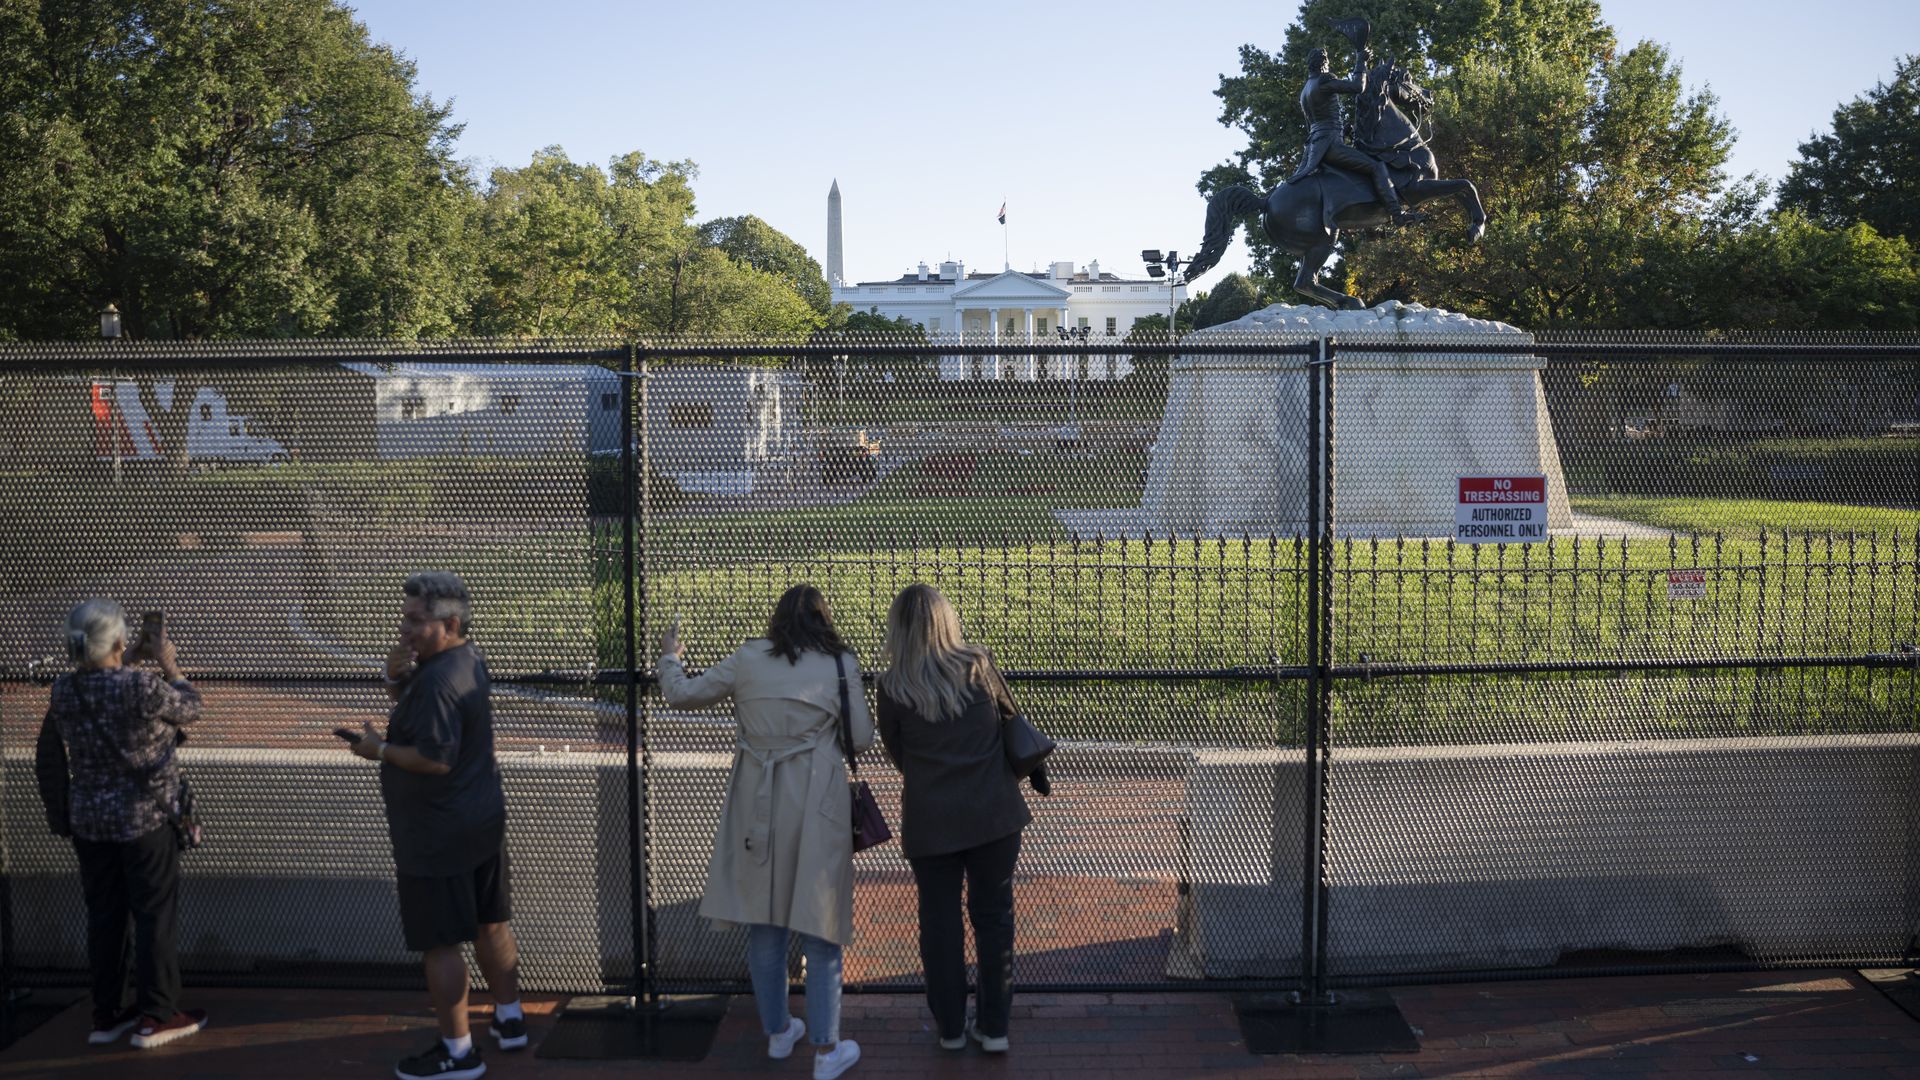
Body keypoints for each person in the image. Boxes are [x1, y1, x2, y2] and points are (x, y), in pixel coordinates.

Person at [658, 584, 868, 1080]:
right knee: (820, 925)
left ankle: (778, 1032)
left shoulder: (748, 658)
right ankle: (826, 1050)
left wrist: (670, 658)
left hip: (758, 801)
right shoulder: (841, 664)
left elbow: (681, 694)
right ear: (824, 619)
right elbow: (860, 738)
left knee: (765, 921)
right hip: (818, 803)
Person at [349, 571, 525, 1080]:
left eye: (415, 620)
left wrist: (379, 750)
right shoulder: (466, 660)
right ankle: (510, 1019)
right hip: (479, 820)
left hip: (437, 834)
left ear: (449, 625)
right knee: (491, 921)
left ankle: (458, 1053)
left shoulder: (437, 682)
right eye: (404, 617)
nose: (404, 629)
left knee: (441, 944)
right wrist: (394, 678)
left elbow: (434, 757)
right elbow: (428, 718)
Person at [34, 599, 207, 1048]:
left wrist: (121, 659)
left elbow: (102, 688)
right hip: (145, 820)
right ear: (117, 640)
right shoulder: (142, 687)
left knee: (105, 916)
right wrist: (169, 665)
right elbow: (191, 708)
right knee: (153, 916)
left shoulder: (64, 690)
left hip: (90, 822)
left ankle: (106, 1013)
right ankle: (157, 1016)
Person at [875, 584, 1034, 1054]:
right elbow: (1011, 719)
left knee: (940, 925)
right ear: (947, 620)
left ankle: (950, 1028)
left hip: (932, 821)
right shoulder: (979, 665)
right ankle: (995, 1028)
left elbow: (898, 754)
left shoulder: (893, 686)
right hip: (994, 815)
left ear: (899, 628)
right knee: (994, 920)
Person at [1287, 44, 1419, 225]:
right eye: (1327, 63)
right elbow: (1358, 86)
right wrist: (1360, 60)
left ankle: (1370, 223)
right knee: (1377, 167)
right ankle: (1397, 214)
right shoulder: (1324, 81)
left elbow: (1316, 124)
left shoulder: (1305, 91)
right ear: (1323, 63)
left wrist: (1343, 131)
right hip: (1331, 145)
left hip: (1316, 145)